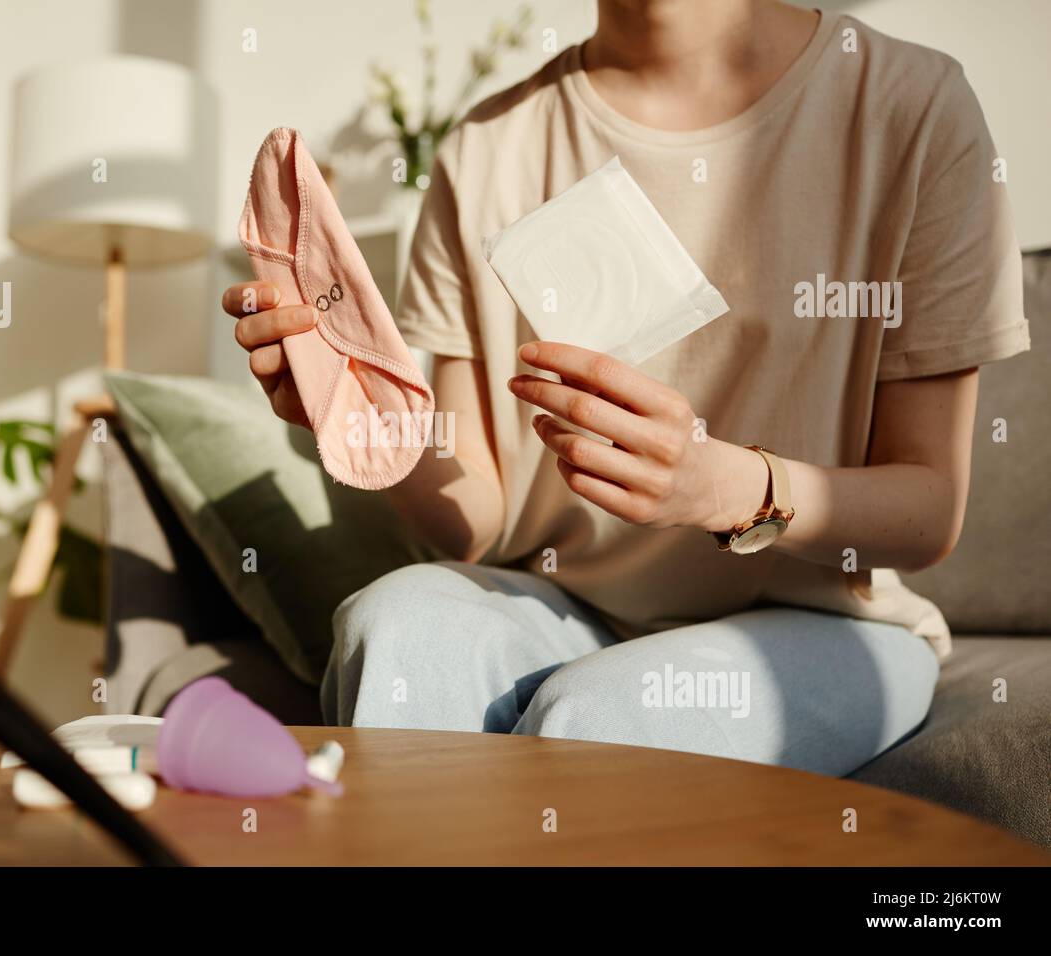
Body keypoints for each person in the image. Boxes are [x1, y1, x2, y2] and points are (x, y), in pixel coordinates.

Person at [221, 0, 1029, 776]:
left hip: (827, 625)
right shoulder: (485, 148)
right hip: (567, 608)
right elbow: (475, 521)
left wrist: (722, 488)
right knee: (393, 626)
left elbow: (927, 511)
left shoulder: (912, 109)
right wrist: (359, 417)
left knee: (604, 714)